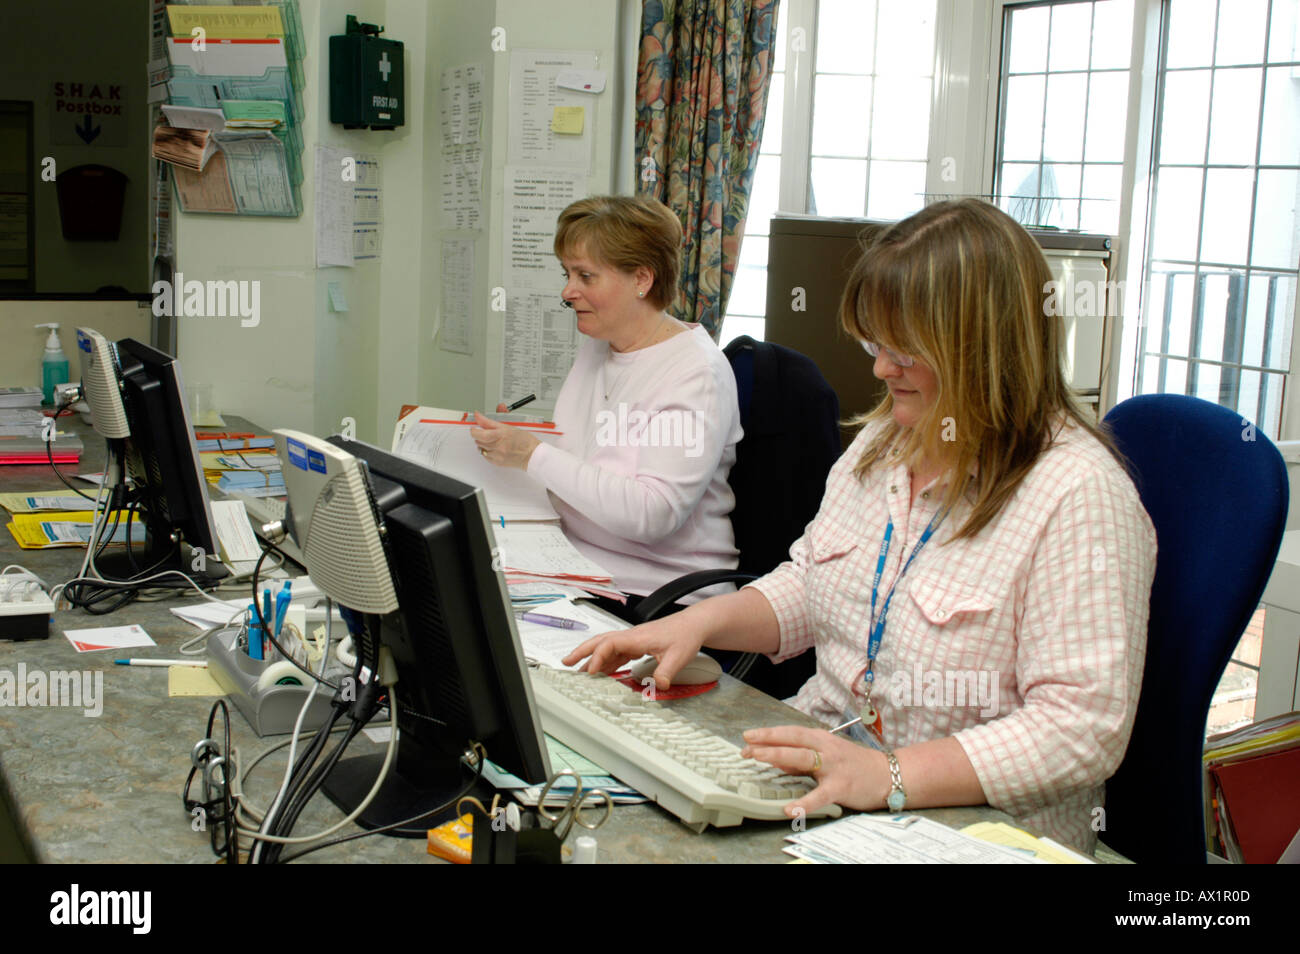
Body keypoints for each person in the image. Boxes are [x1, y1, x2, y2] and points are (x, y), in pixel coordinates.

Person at [563, 198, 1157, 852]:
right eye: (876, 343)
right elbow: (814, 583)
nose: (879, 368)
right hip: (831, 774)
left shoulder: (1079, 495)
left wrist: (887, 775)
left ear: (982, 347)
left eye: (903, 350)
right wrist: (699, 621)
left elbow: (1079, 730)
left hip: (969, 830)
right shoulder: (885, 443)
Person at [470, 195, 742, 605]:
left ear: (642, 280)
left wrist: (534, 455)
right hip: (579, 567)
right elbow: (590, 456)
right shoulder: (602, 345)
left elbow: (654, 514)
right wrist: (521, 441)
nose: (567, 291)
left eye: (585, 276)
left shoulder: (695, 374)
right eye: (567, 273)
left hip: (658, 594)